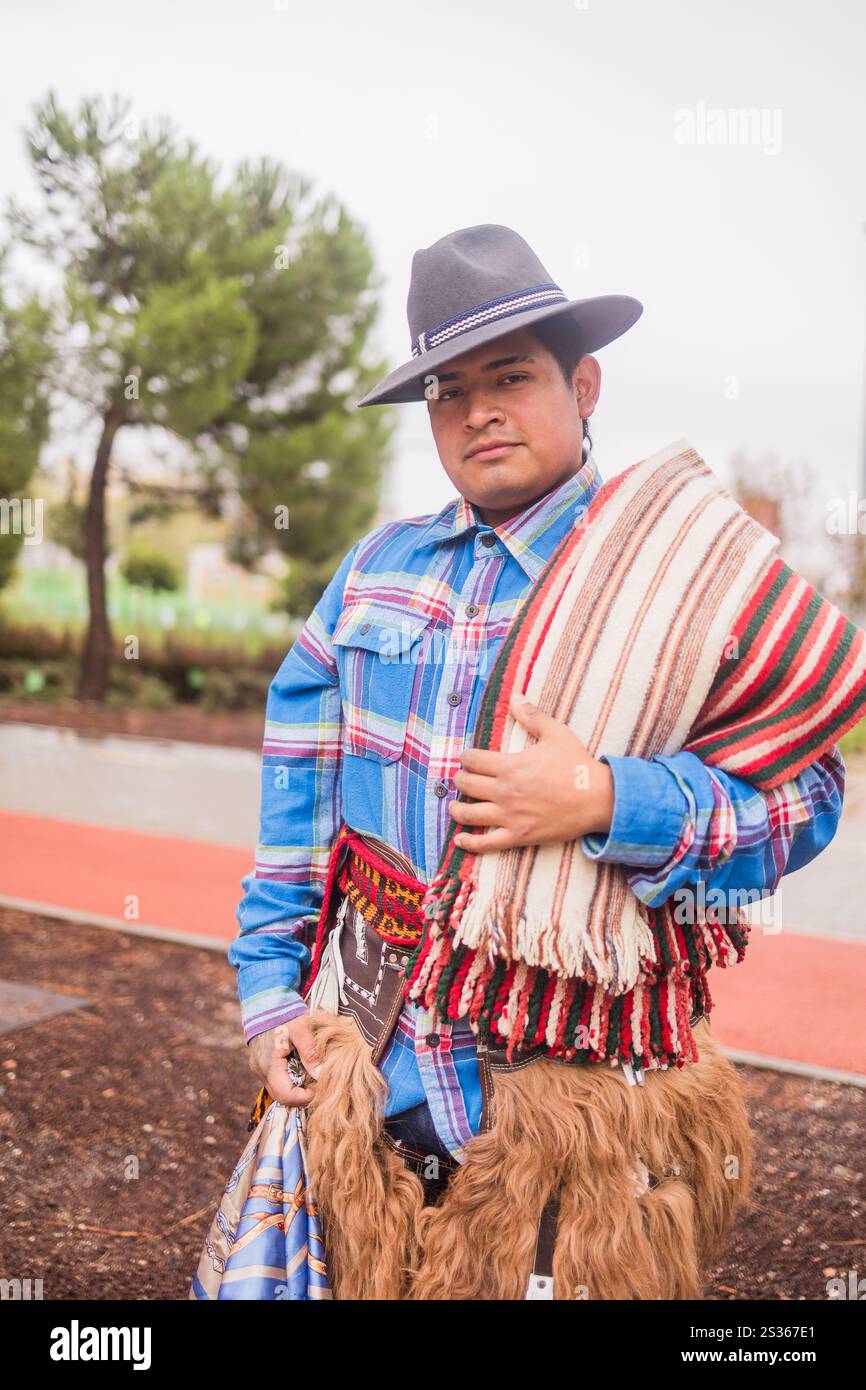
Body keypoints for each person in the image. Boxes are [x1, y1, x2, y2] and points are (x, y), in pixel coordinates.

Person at [211, 224, 857, 1300]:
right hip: (376, 1085)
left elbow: (803, 802)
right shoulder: (372, 574)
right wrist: (270, 999)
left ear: (584, 383)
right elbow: (297, 821)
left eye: (508, 376)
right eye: (446, 391)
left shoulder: (680, 581)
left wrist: (608, 797)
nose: (476, 412)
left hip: (581, 1107)